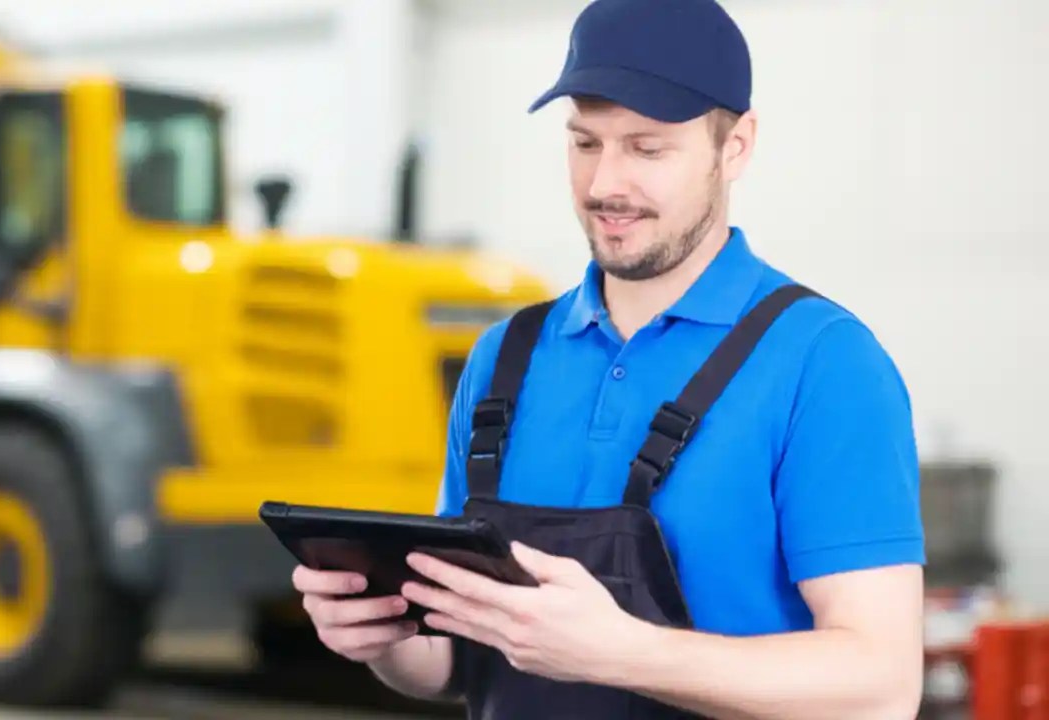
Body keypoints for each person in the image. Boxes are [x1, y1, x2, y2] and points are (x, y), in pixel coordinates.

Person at [290, 0, 926, 717]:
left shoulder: (824, 364)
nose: (604, 185)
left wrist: (622, 653)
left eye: (646, 149)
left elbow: (881, 688)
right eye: (585, 143)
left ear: (736, 146)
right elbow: (453, 660)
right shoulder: (504, 358)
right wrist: (382, 634)